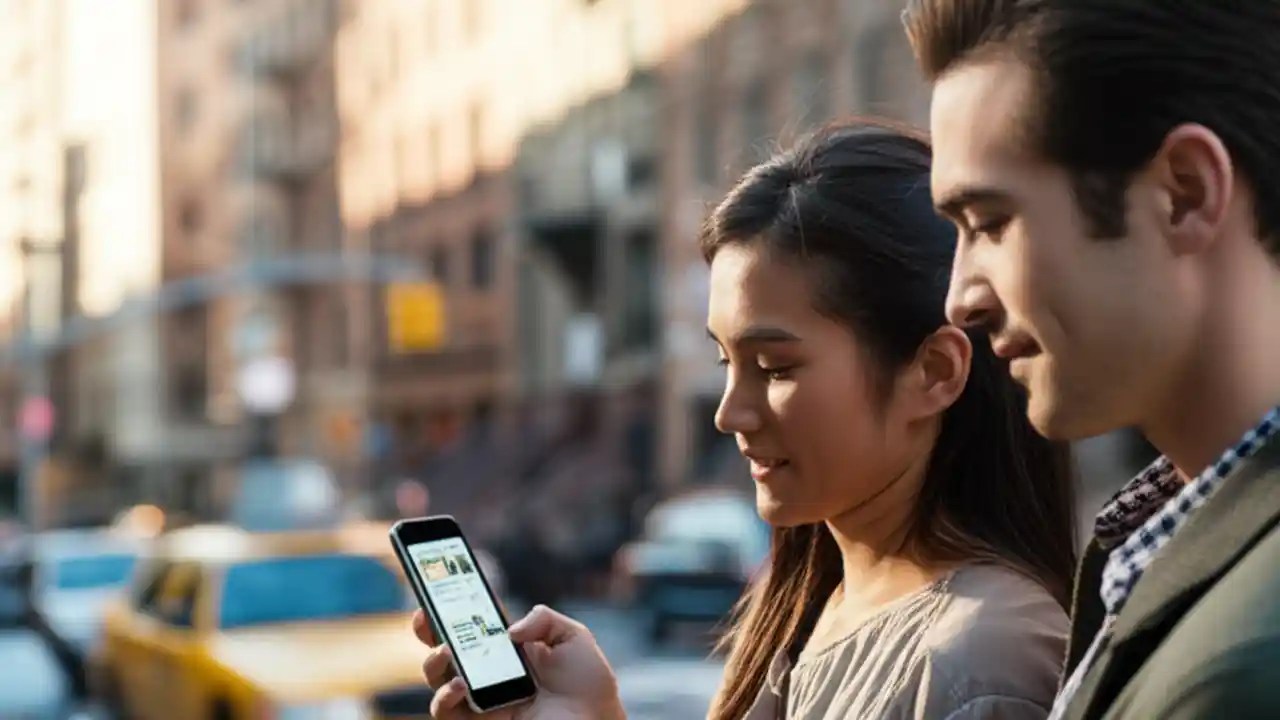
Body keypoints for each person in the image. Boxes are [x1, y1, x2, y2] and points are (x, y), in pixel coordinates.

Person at [414, 121, 1081, 719]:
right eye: (726, 362)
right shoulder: (805, 608)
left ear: (934, 371)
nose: (730, 414)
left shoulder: (988, 660)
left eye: (775, 366)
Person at [902, 1, 1280, 717]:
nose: (960, 300)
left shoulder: (1242, 670)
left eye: (989, 223)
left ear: (1183, 193)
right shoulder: (1166, 561)